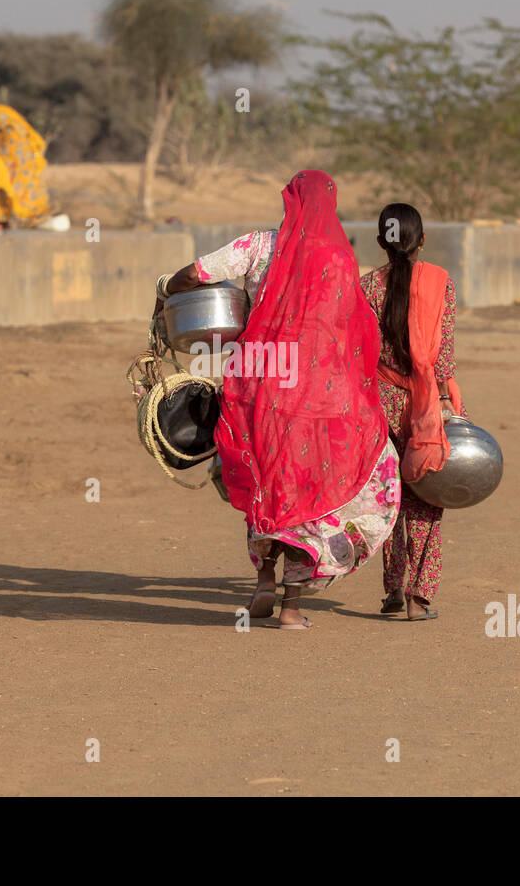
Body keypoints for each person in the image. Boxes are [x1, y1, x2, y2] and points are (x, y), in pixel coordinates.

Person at [155, 170, 400, 630]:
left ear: (290, 202)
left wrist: (166, 290)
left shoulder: (259, 245)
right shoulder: (340, 257)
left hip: (262, 387)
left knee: (266, 479)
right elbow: (352, 327)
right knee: (311, 490)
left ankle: (264, 580)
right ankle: (291, 607)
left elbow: (196, 274)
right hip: (325, 396)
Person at [360, 204, 464, 621]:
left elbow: (358, 351)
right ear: (421, 240)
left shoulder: (366, 286)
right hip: (428, 402)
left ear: (381, 241)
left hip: (379, 399)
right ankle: (419, 596)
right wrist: (443, 400)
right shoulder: (441, 282)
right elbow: (444, 355)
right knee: (429, 492)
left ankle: (392, 588)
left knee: (391, 494)